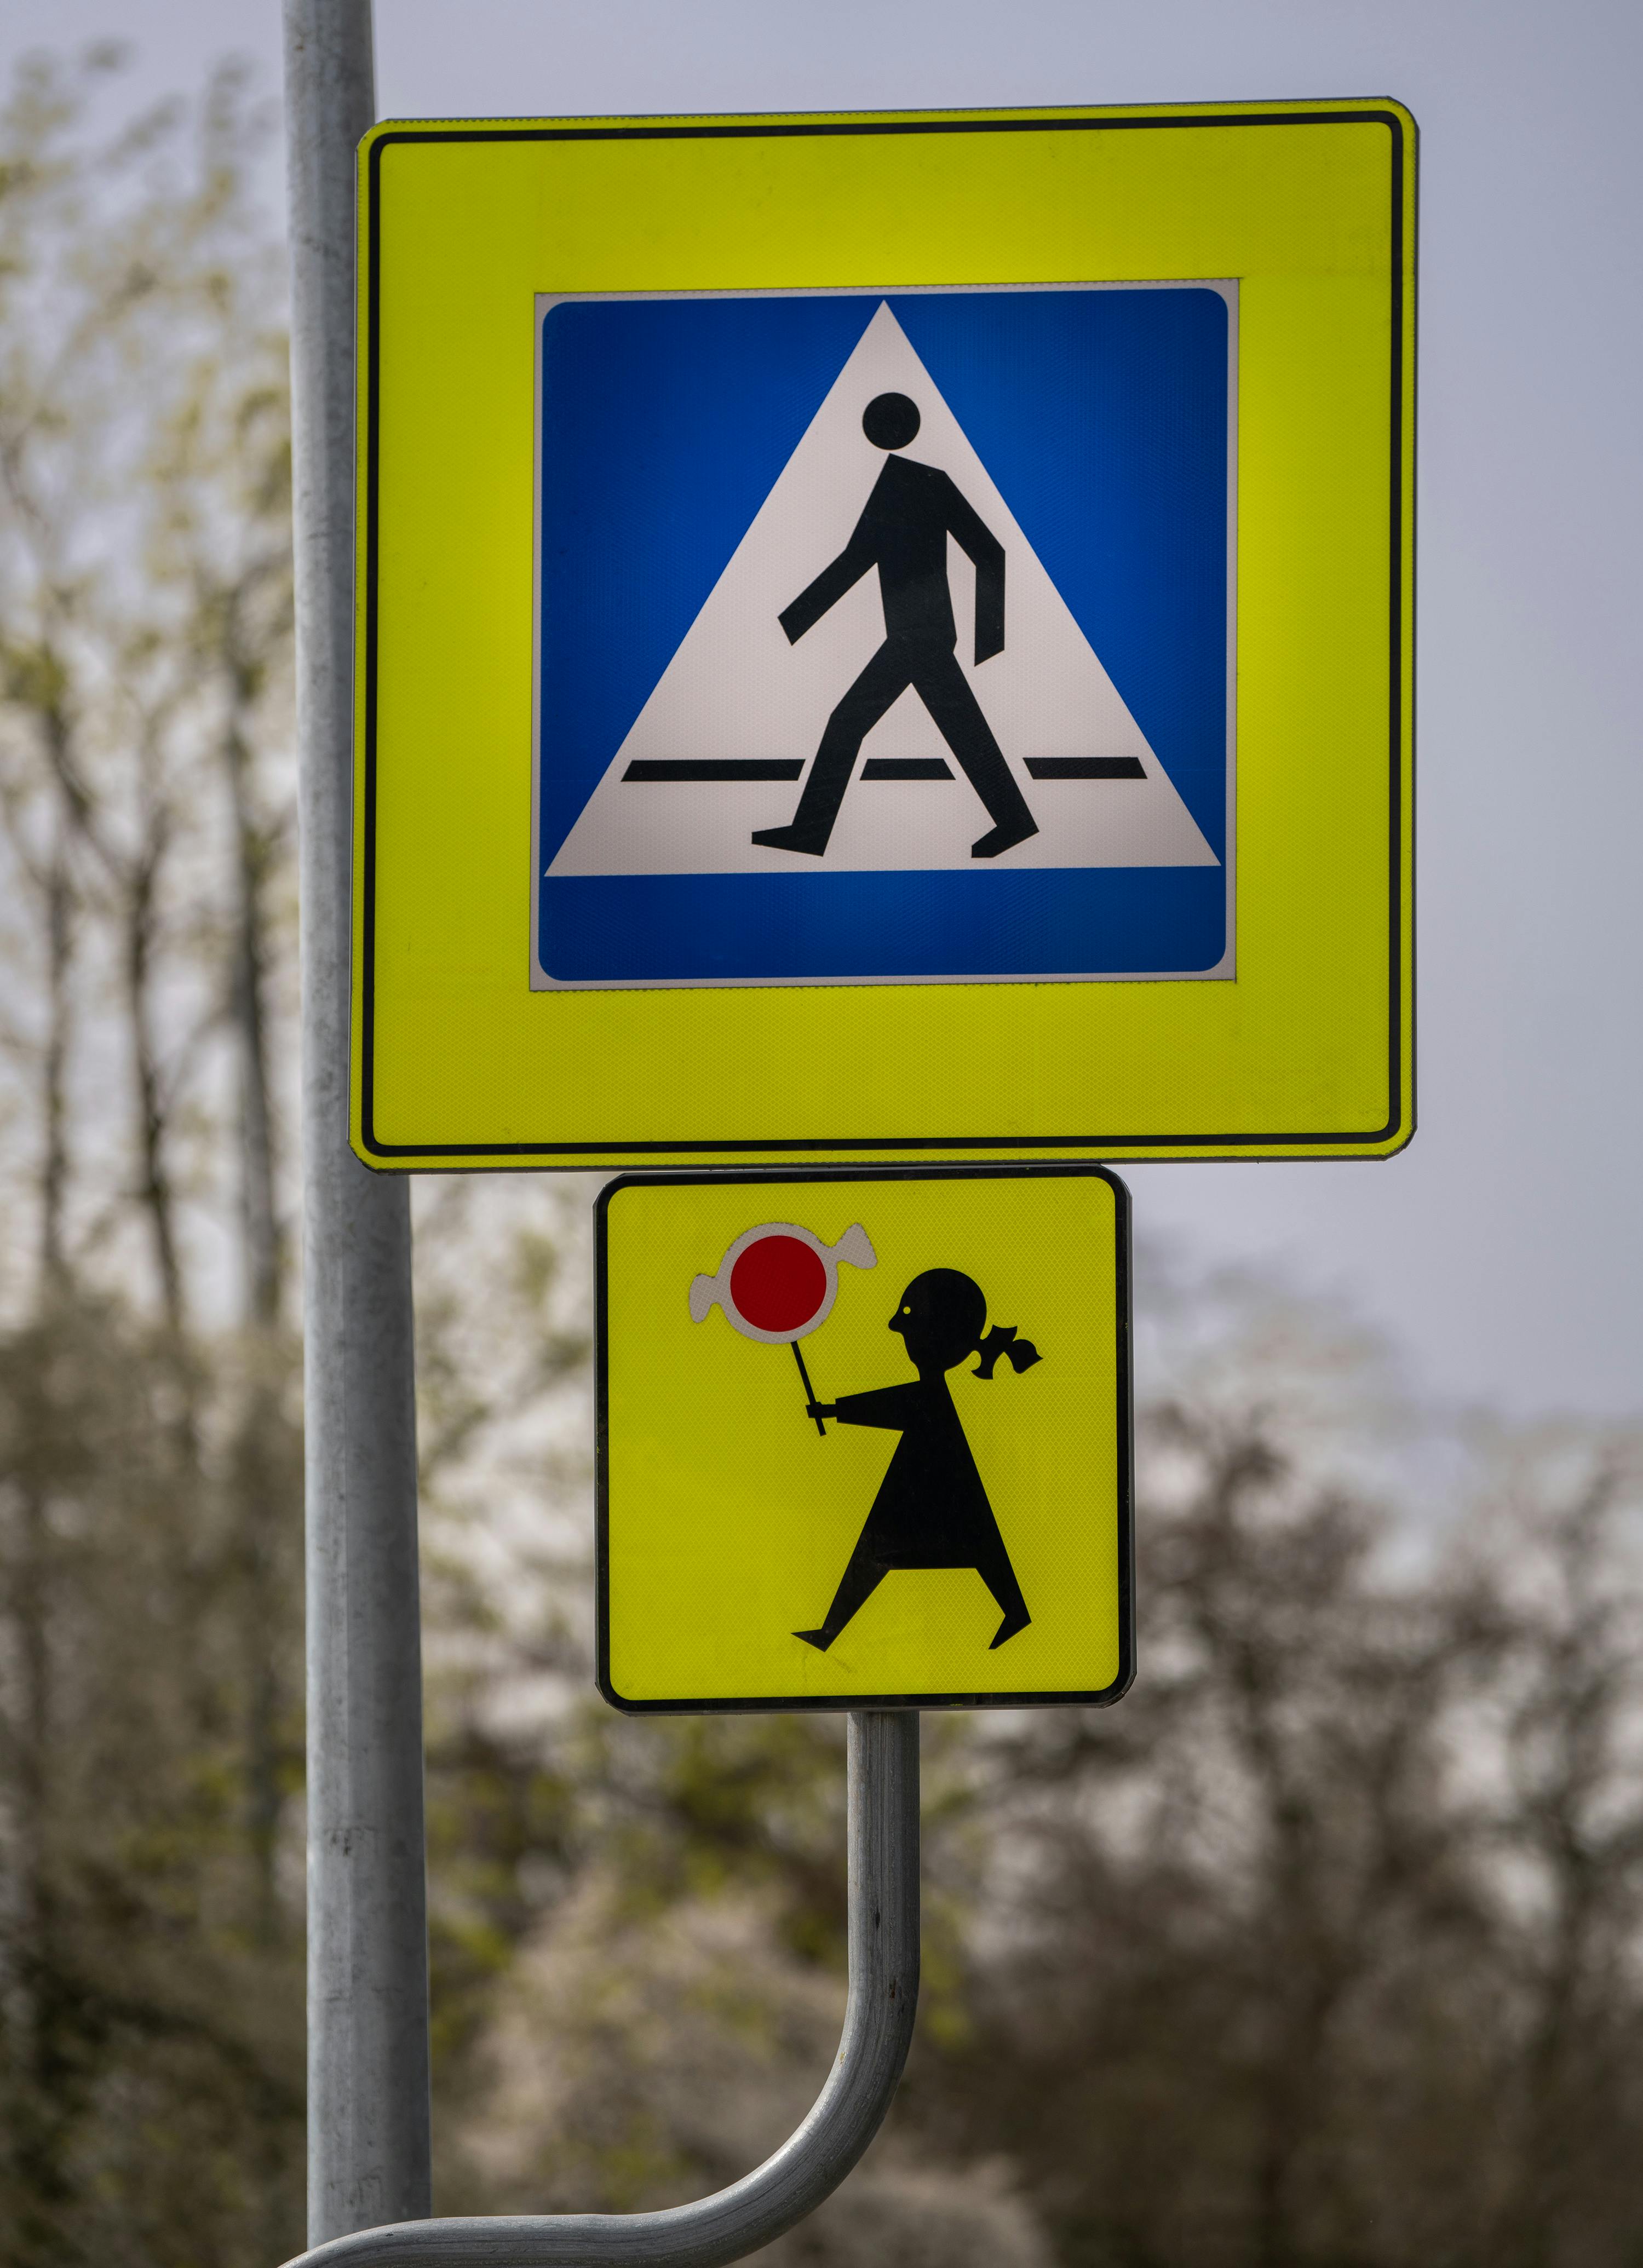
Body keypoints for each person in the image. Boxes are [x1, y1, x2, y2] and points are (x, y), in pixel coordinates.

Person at [752, 391, 1039, 861]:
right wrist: (791, 623)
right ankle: (1014, 820)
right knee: (963, 731)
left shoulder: (918, 483)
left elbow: (989, 553)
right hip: (915, 636)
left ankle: (810, 833)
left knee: (848, 722)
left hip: (919, 637)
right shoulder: (894, 486)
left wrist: (989, 642)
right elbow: (856, 561)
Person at [793, 1268, 1039, 1654]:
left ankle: (829, 1635)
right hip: (935, 1479)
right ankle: (829, 1634)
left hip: (925, 1481)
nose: (899, 1329)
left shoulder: (929, 1395)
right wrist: (834, 1410)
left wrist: (835, 1410)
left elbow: (899, 1405)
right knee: (977, 1545)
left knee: (879, 1549)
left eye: (909, 1321)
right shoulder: (931, 1392)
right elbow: (900, 1404)